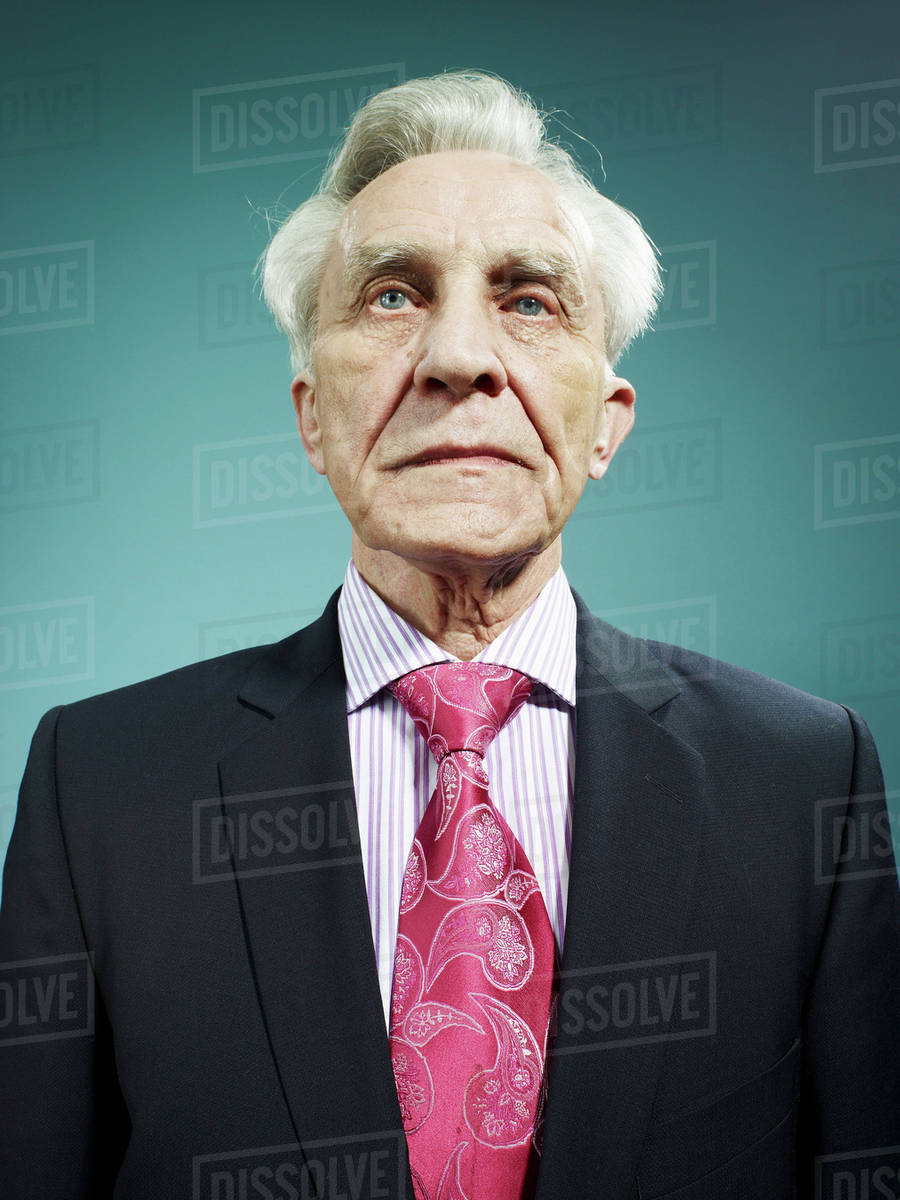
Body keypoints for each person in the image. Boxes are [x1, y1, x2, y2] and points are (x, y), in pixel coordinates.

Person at [1, 69, 897, 1200]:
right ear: (312, 417)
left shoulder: (804, 776)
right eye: (393, 295)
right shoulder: (100, 787)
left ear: (606, 423)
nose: (458, 355)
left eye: (529, 300)